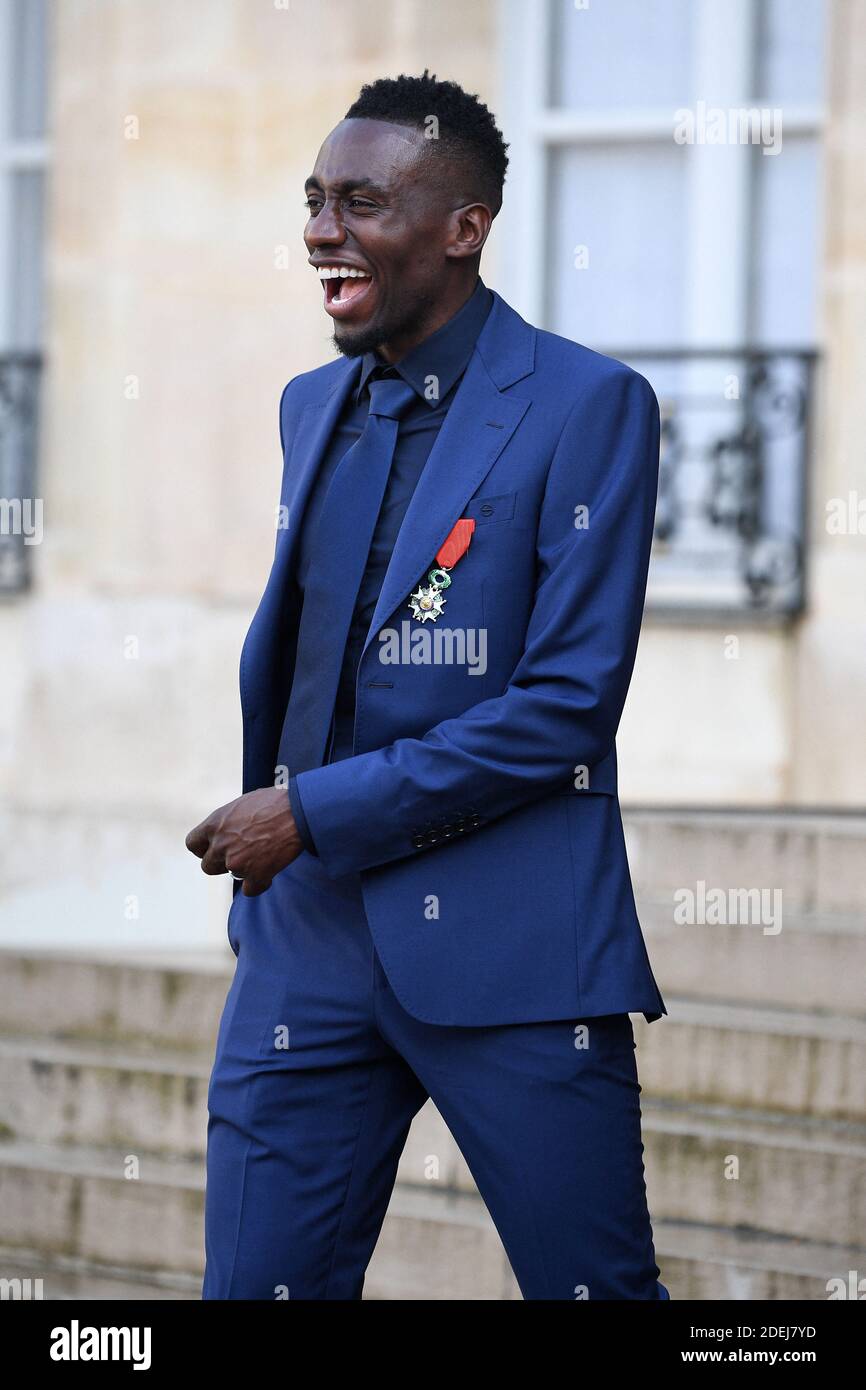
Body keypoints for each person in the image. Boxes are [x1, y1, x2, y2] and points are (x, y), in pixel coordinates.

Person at [186, 69, 670, 1301]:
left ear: (463, 227)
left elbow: (564, 706)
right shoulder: (309, 407)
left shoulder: (588, 405)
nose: (319, 229)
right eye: (312, 199)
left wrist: (310, 812)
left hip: (511, 947)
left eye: (361, 200)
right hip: (302, 939)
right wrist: (281, 881)